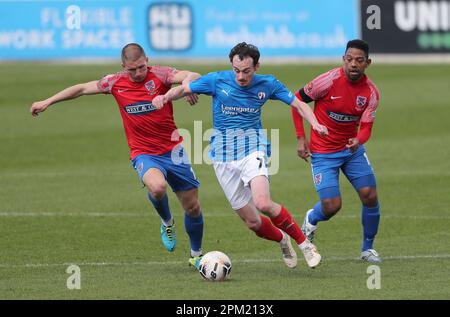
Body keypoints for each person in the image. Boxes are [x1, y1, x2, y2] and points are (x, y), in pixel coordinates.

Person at [153, 42, 328, 269]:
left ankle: (305, 244)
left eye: (246, 71)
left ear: (256, 67)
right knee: (253, 222)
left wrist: (314, 123)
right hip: (222, 158)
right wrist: (165, 97)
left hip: (252, 150)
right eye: (236, 70)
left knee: (263, 202)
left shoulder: (269, 83)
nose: (241, 76)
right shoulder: (217, 80)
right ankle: (281, 239)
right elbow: (183, 89)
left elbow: (298, 104)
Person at [29, 43, 205, 263]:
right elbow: (82, 88)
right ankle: (167, 222)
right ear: (123, 66)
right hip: (143, 152)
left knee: (192, 206)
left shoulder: (161, 75)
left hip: (173, 149)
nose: (139, 73)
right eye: (133, 70)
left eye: (142, 67)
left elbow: (192, 74)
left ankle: (196, 255)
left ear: (147, 60)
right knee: (158, 187)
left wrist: (188, 85)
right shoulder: (115, 82)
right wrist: (48, 101)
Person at [290, 39, 382, 262]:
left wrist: (358, 140)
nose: (353, 64)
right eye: (349, 59)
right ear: (343, 59)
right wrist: (301, 138)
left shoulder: (370, 93)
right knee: (332, 206)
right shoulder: (328, 81)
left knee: (369, 195)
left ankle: (367, 249)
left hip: (351, 151)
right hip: (323, 153)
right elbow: (297, 100)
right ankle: (312, 218)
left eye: (359, 60)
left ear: (367, 63)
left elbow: (367, 128)